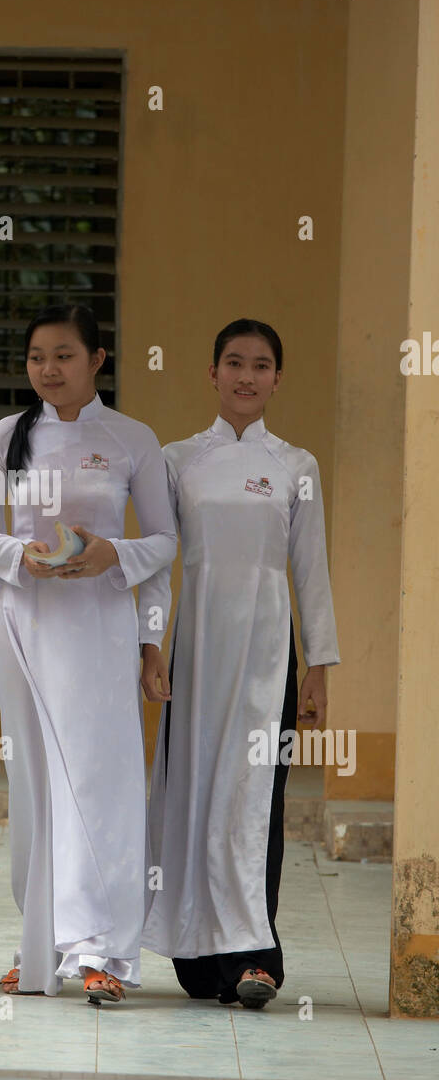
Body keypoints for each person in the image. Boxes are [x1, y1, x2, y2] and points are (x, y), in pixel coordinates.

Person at [0, 304, 177, 1004]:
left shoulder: (132, 438)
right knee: (35, 790)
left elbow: (168, 544)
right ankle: (43, 942)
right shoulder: (6, 436)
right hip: (29, 626)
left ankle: (102, 951)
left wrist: (119, 558)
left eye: (64, 356)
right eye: (37, 358)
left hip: (103, 629)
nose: (49, 370)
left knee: (101, 785)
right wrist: (22, 557)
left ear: (98, 360)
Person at [141, 319, 340, 1008]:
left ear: (278, 379)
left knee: (257, 798)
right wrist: (151, 645)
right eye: (234, 362)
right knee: (193, 793)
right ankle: (197, 955)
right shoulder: (176, 461)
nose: (247, 376)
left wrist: (320, 664)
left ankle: (258, 959)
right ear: (212, 373)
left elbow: (310, 570)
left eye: (261, 365)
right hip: (196, 650)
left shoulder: (297, 466)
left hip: (267, 653)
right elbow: (157, 566)